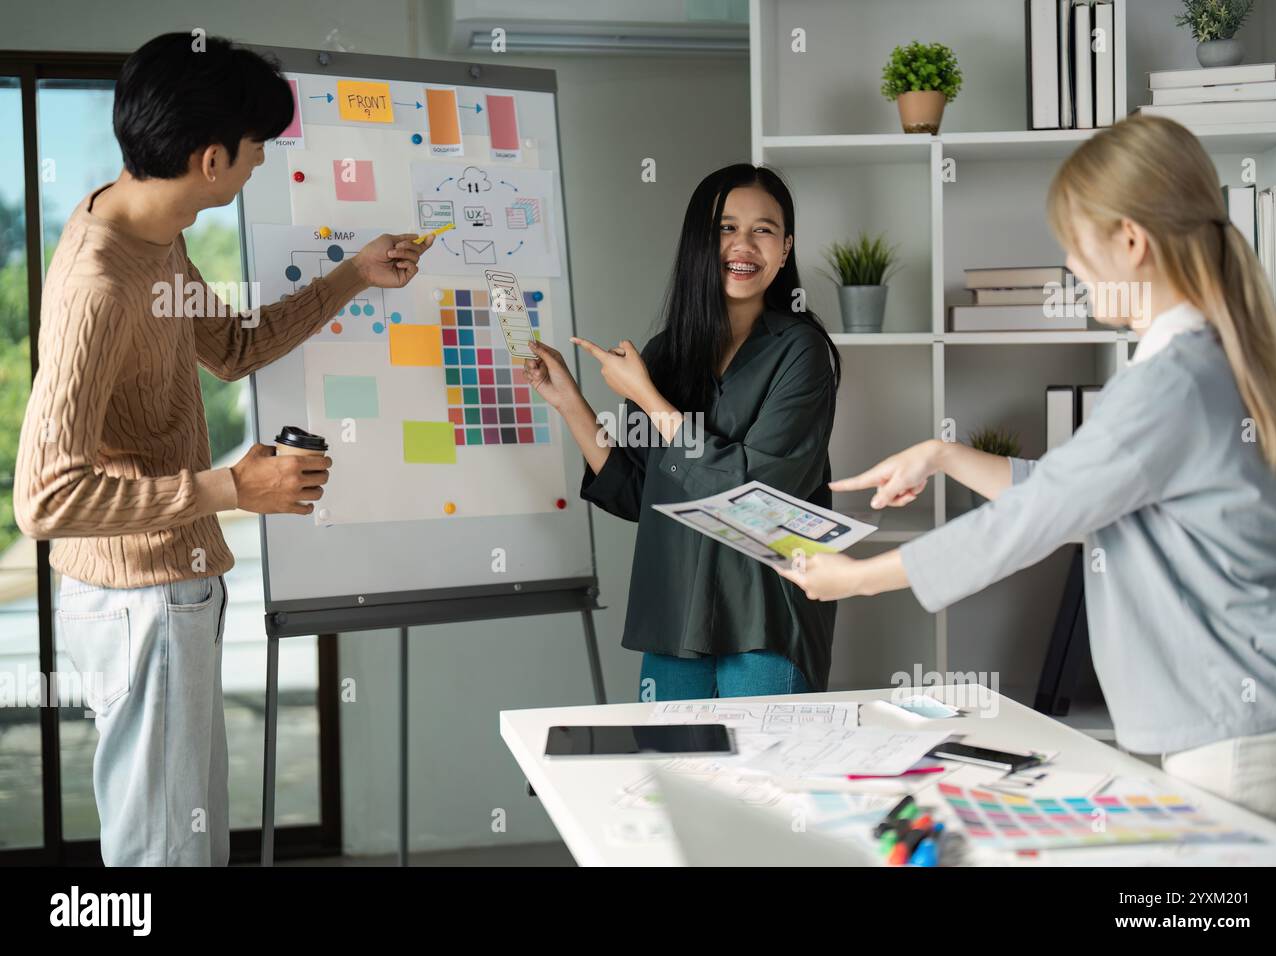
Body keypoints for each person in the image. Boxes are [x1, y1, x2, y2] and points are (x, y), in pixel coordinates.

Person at [779, 115, 1276, 832]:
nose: (1074, 272)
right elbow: (1076, 496)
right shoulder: (1198, 363)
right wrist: (944, 455)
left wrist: (854, 576)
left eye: (1076, 250)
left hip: (1236, 737)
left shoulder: (1168, 385)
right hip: (1238, 722)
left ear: (1131, 241)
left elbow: (1030, 523)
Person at [13, 33, 428, 865]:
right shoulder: (100, 283)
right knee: (164, 852)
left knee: (186, 841)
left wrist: (352, 276)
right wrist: (231, 490)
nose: (260, 166)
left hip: (169, 590)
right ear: (210, 159)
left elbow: (233, 348)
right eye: (255, 150)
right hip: (144, 599)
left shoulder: (148, 233)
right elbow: (44, 499)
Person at [526, 164, 841, 700]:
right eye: (725, 227)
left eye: (763, 230)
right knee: (670, 781)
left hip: (763, 620)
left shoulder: (801, 353)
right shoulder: (666, 354)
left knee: (759, 784)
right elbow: (636, 494)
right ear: (698, 240)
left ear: (784, 250)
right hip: (675, 618)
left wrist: (648, 398)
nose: (743, 245)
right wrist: (570, 403)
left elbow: (753, 493)